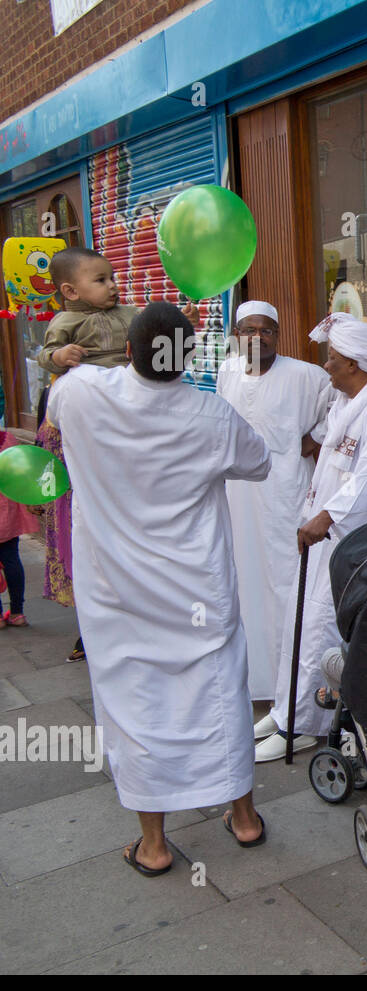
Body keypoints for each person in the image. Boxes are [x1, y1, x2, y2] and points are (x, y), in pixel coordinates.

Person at [46, 302, 272, 875]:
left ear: (126, 352)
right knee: (221, 697)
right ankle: (243, 818)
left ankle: (154, 845)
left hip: (118, 596)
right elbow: (260, 463)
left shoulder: (81, 394)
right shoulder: (211, 415)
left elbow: (55, 401)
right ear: (190, 357)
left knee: (134, 709)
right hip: (198, 592)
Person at [254, 312, 367, 761]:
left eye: (333, 359)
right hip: (326, 541)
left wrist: (324, 518)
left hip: (357, 545)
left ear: (357, 365)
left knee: (325, 630)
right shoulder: (346, 404)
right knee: (302, 620)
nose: (326, 367)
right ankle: (287, 707)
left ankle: (308, 723)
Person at [36, 247, 199, 662]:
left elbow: (157, 345)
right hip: (90, 427)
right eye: (102, 280)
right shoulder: (65, 323)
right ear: (70, 290)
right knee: (90, 524)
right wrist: (58, 357)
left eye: (112, 277)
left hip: (134, 417)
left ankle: (149, 613)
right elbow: (44, 356)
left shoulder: (130, 316)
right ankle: (93, 622)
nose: (113, 285)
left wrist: (183, 328)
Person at [216, 301, 332, 702]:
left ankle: (290, 690)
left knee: (286, 582)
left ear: (278, 336)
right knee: (243, 582)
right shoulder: (227, 372)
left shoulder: (306, 375)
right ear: (236, 336)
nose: (257, 337)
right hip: (237, 496)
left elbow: (337, 409)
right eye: (248, 330)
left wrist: (311, 441)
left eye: (266, 330)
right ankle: (253, 683)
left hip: (285, 493)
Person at [0, 430, 41, 627]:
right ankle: (17, 613)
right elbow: (22, 472)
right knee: (11, 559)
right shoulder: (7, 439)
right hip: (7, 510)